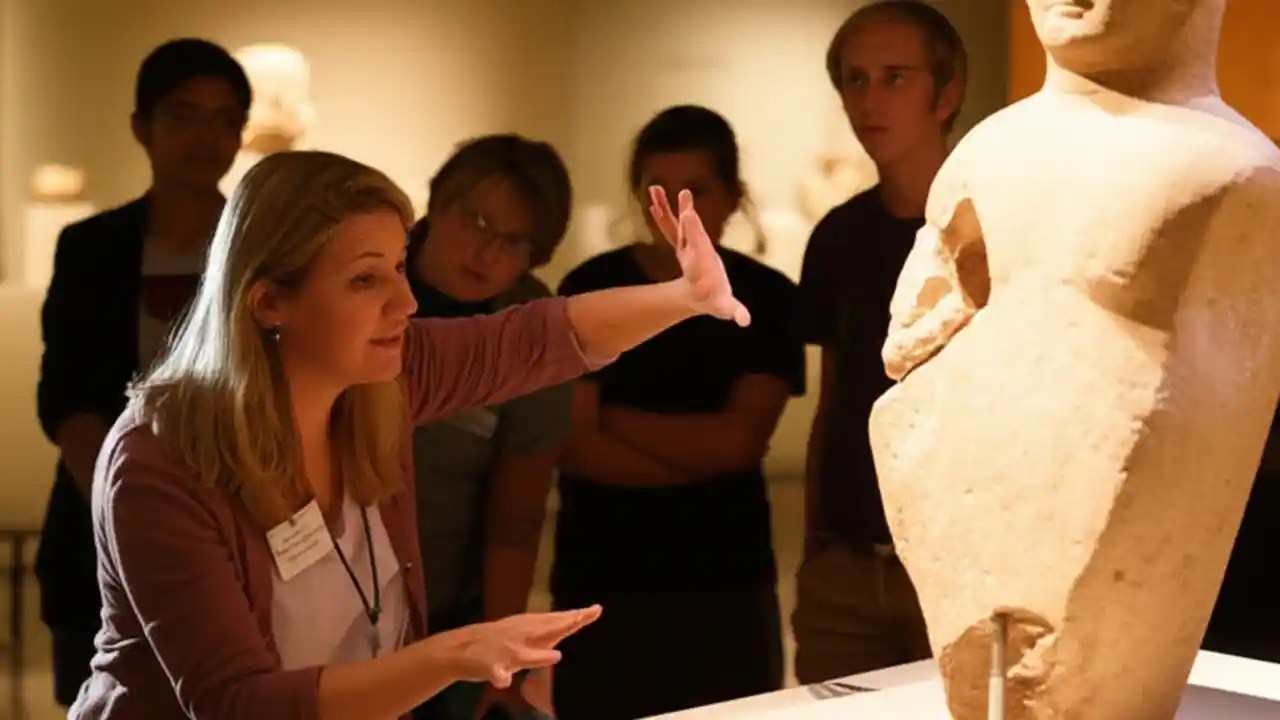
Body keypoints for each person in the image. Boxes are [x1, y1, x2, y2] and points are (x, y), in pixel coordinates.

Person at [68, 148, 750, 720]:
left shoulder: (376, 384)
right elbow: (237, 704)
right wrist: (452, 655)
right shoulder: (160, 461)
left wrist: (683, 297)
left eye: (399, 266)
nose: (406, 302)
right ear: (269, 300)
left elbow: (532, 338)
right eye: (366, 279)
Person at [552, 105, 805, 719]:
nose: (674, 209)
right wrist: (703, 455)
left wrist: (615, 418)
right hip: (603, 579)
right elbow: (576, 447)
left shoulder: (766, 297)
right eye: (657, 190)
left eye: (696, 190)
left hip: (724, 580)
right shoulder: (593, 285)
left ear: (732, 196)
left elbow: (739, 444)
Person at [34, 37, 250, 706]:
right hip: (98, 518)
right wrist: (121, 511)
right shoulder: (92, 246)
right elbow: (68, 395)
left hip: (233, 520)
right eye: (183, 115)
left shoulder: (257, 250)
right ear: (142, 127)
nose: (204, 137)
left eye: (223, 119)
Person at [792, 0, 967, 682]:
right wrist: (815, 550)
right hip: (847, 564)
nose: (869, 99)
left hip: (958, 561)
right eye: (855, 80)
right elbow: (835, 403)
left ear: (945, 93)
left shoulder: (992, 224)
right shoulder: (836, 236)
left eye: (896, 77)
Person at [404, 135, 574, 720]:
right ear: (436, 205)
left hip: (442, 614)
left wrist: (502, 664)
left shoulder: (531, 331)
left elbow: (515, 520)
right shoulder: (366, 279)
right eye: (476, 221)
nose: (488, 251)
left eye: (514, 240)